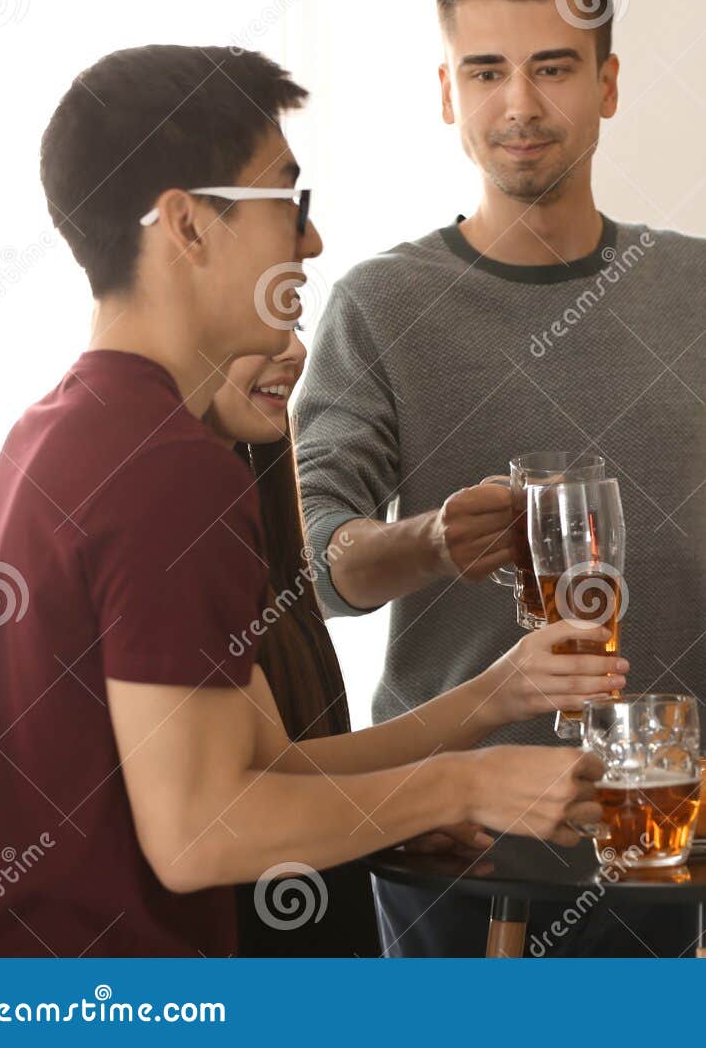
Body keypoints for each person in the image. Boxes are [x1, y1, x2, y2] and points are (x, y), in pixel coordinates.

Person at [0, 45, 603, 957]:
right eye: (286, 200)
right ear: (186, 225)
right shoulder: (167, 470)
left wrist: (491, 706)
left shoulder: (61, 430)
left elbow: (268, 768)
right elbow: (199, 830)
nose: (311, 241)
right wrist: (464, 786)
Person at [293, 0, 706, 957]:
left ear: (607, 85)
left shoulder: (702, 289)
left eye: (553, 68)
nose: (518, 104)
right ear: (447, 92)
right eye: (487, 71)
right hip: (454, 842)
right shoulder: (380, 305)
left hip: (668, 831)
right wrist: (427, 539)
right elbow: (315, 557)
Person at [203, 330, 628, 956]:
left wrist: (390, 812)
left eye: (293, 314)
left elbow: (286, 771)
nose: (295, 350)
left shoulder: (237, 496)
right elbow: (224, 817)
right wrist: (453, 785)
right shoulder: (166, 516)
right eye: (260, 309)